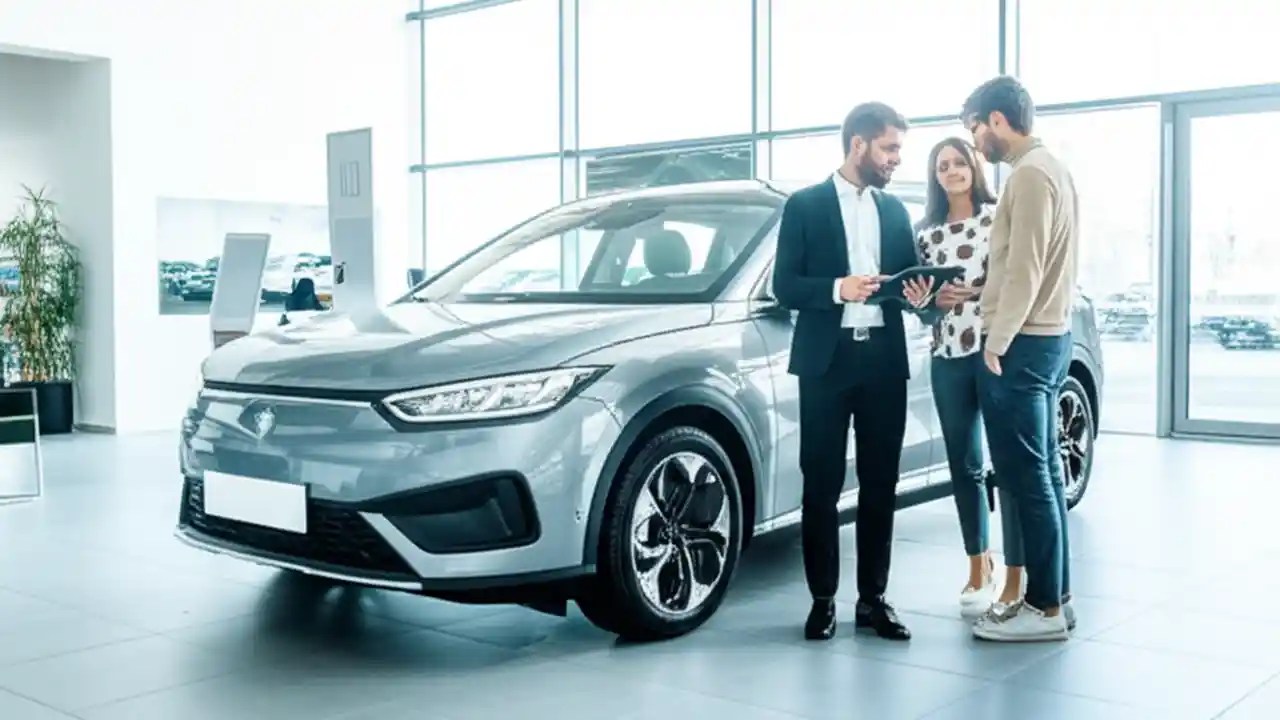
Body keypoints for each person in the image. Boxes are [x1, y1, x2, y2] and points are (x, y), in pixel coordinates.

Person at [772, 101, 924, 642]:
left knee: (882, 482)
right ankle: (822, 601)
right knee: (821, 484)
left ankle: (873, 600)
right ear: (858, 144)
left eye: (898, 149)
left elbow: (908, 285)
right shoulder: (804, 206)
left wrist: (918, 294)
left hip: (884, 361)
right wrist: (840, 288)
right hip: (825, 364)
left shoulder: (896, 211)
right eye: (889, 148)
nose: (896, 159)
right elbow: (784, 286)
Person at [959, 75, 1079, 642]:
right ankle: (1057, 598)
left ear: (997, 121)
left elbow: (1025, 268)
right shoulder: (1052, 167)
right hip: (1048, 338)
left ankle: (1043, 609)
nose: (975, 141)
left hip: (1023, 343)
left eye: (975, 129)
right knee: (1045, 474)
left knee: (1028, 478)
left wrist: (996, 342)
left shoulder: (1029, 174)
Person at [903, 137, 1026, 619]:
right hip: (947, 355)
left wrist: (976, 292)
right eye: (942, 166)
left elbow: (1016, 280)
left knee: (1009, 464)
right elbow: (919, 306)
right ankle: (979, 565)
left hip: (994, 351)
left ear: (975, 167)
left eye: (959, 162)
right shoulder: (925, 234)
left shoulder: (997, 219)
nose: (951, 171)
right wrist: (933, 302)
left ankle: (1016, 571)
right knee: (964, 464)